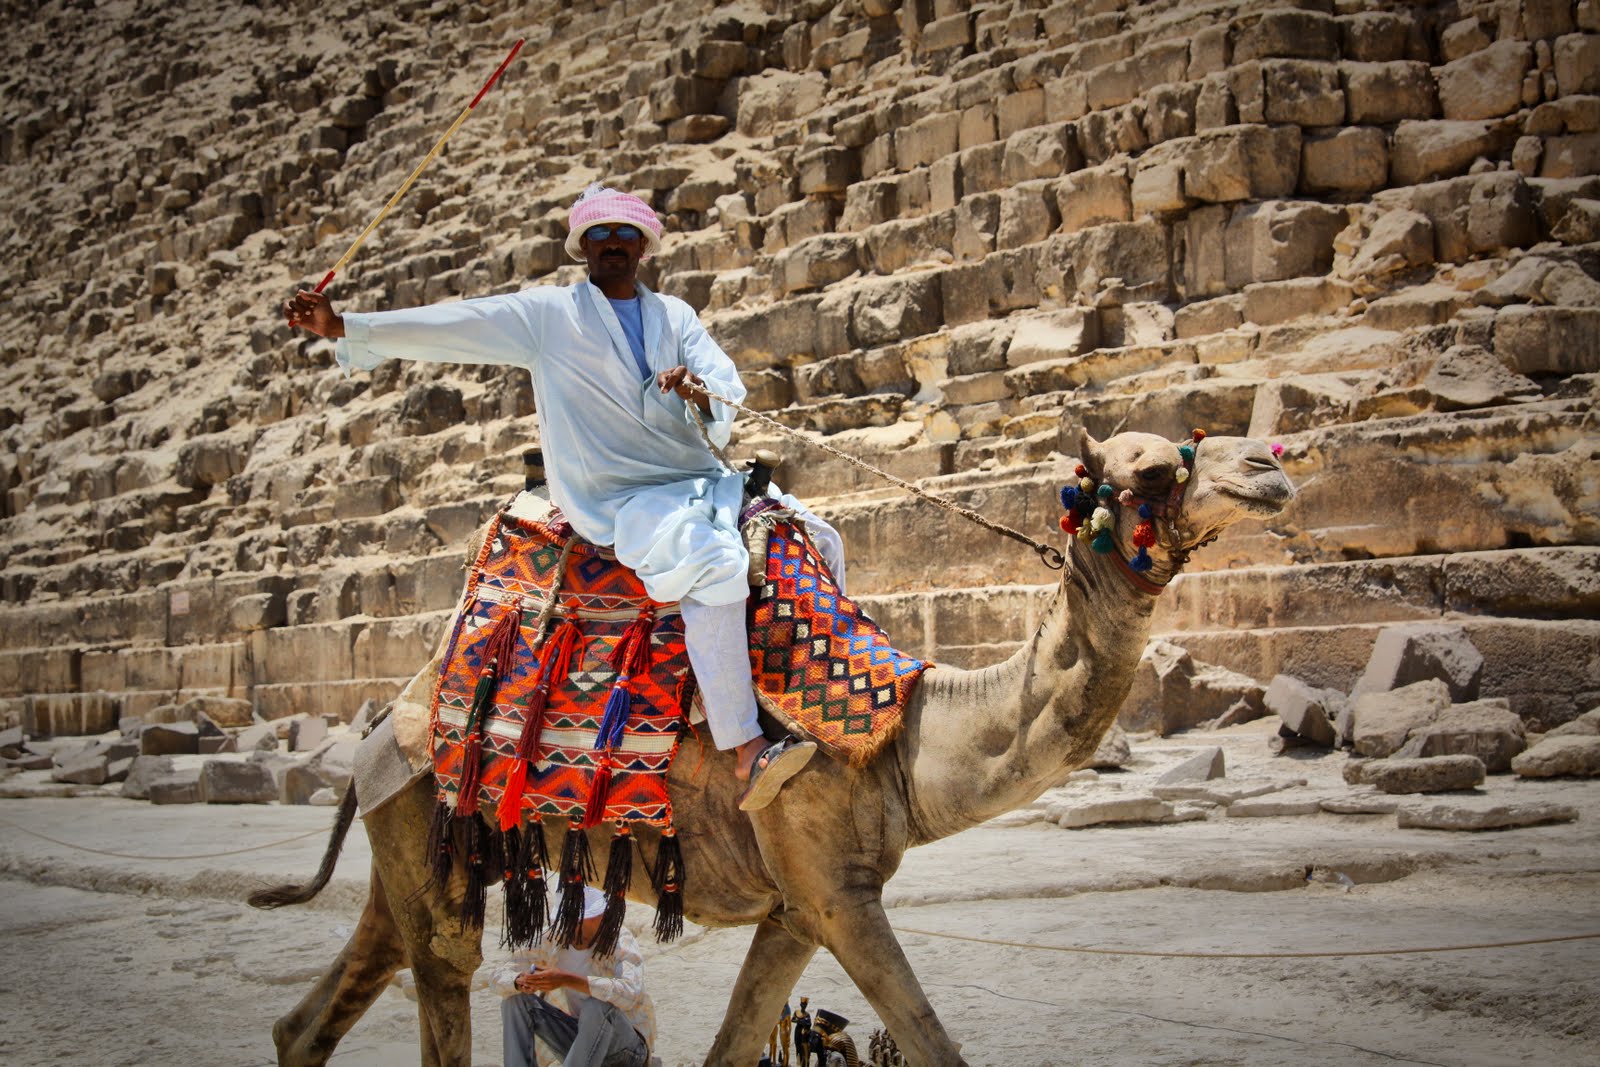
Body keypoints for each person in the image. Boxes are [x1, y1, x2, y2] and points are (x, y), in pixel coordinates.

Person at [282, 183, 841, 810]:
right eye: (598, 235)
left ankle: (806, 691)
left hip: (696, 477)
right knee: (711, 563)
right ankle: (740, 741)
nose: (613, 245)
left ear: (644, 247)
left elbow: (724, 386)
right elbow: (458, 324)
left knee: (818, 537)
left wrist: (699, 389)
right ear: (582, 248)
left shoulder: (675, 316)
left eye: (625, 235)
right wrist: (343, 325)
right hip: (618, 493)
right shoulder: (549, 316)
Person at [490, 884, 653, 1067]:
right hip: (580, 1041)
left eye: (586, 917)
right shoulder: (554, 938)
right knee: (515, 1001)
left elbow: (631, 992)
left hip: (626, 1050)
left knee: (596, 1005)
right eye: (572, 919)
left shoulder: (620, 938)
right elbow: (496, 975)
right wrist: (519, 980)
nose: (576, 925)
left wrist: (567, 980)